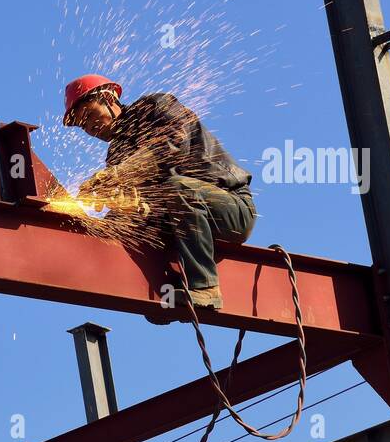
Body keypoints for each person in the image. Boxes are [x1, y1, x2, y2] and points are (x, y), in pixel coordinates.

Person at [62, 74, 255, 310]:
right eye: (83, 125)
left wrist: (121, 174)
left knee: (177, 188)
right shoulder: (116, 154)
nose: (91, 127)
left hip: (232, 208)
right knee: (127, 224)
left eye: (90, 115)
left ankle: (204, 287)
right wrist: (115, 210)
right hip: (185, 220)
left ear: (108, 97)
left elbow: (173, 145)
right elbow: (132, 209)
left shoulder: (153, 108)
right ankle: (164, 289)